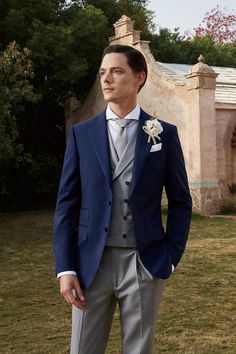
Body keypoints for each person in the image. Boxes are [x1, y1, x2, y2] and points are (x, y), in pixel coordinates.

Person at [53, 44, 192, 354]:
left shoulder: (163, 134)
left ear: (139, 77)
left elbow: (181, 201)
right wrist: (66, 268)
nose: (107, 79)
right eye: (103, 72)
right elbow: (67, 204)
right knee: (83, 349)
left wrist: (171, 254)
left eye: (116, 71)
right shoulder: (81, 133)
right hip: (90, 262)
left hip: (144, 261)